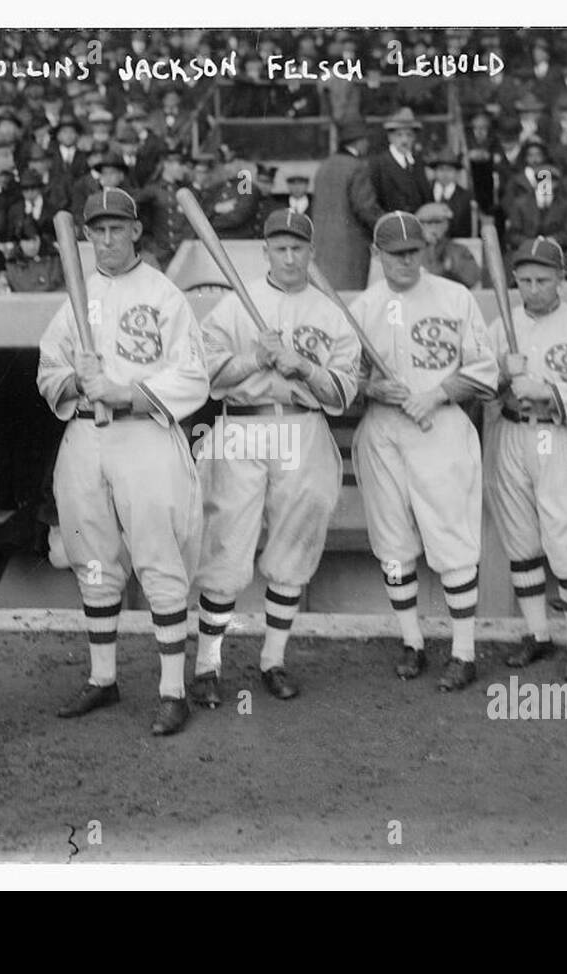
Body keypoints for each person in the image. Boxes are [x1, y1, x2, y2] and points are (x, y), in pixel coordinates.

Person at [37, 188, 209, 736]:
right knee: (93, 561)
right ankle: (103, 678)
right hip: (85, 437)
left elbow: (193, 377)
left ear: (136, 231)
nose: (106, 239)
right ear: (84, 237)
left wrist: (123, 390)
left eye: (117, 228)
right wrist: (73, 379)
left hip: (145, 436)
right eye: (97, 230)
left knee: (160, 560)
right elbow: (46, 370)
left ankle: (172, 689)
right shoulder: (75, 298)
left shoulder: (164, 296)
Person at [190, 210, 360, 706]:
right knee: (225, 546)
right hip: (243, 425)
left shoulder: (332, 314)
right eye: (280, 248)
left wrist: (304, 368)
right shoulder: (233, 307)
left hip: (303, 427)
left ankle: (274, 660)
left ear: (311, 253)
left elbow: (345, 391)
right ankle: (208, 664)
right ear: (265, 251)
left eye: (298, 248)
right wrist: (254, 359)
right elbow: (204, 374)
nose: (289, 257)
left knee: (294, 546)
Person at [350, 212, 499, 690]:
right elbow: (343, 384)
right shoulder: (361, 306)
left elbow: (484, 370)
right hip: (383, 431)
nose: (406, 261)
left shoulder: (454, 297)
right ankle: (412, 641)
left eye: (413, 251)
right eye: (395, 253)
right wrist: (371, 390)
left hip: (441, 427)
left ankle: (463, 651)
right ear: (378, 254)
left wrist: (434, 393)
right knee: (392, 544)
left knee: (453, 540)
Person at [484, 237, 567, 681]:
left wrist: (548, 390)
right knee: (520, 540)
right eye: (524, 281)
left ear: (561, 278)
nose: (533, 288)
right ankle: (537, 634)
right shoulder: (500, 325)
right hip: (510, 433)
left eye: (543, 279)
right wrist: (502, 372)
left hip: (559, 436)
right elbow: (478, 381)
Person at [312, 119, 383, 290]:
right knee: (351, 303)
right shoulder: (357, 167)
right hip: (350, 251)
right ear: (360, 142)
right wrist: (387, 222)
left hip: (322, 249)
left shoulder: (324, 166)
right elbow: (365, 208)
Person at [367, 108, 431, 214]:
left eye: (409, 135)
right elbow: (373, 203)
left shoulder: (418, 163)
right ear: (390, 137)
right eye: (399, 135)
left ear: (414, 138)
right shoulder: (379, 164)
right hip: (392, 226)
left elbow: (425, 197)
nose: (404, 140)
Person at [416, 202, 482, 288]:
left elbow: (471, 279)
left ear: (446, 224)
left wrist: (450, 269)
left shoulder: (459, 250)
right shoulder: (413, 251)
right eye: (427, 223)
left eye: (437, 222)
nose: (433, 227)